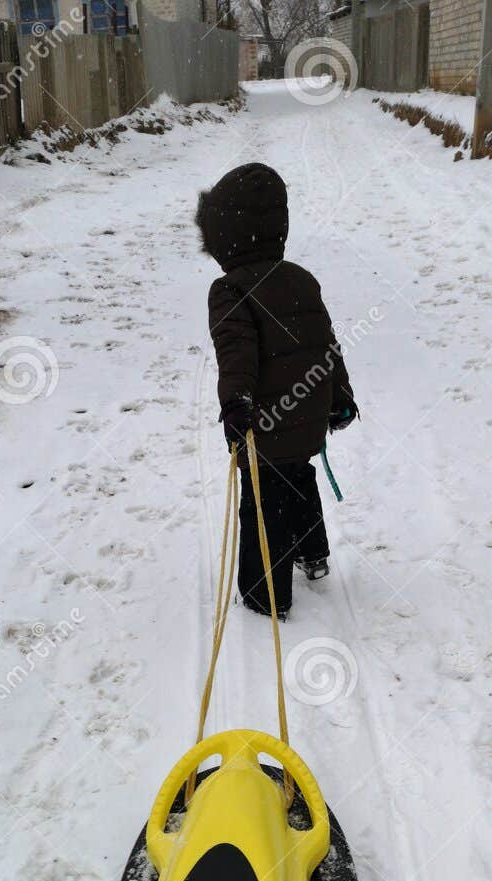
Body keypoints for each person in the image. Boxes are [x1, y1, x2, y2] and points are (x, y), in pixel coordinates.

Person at [197, 162, 357, 619]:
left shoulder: (229, 290)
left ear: (224, 235)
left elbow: (236, 354)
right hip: (309, 419)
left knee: (263, 501)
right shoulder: (301, 279)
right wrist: (341, 397)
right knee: (300, 474)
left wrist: (237, 404)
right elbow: (325, 344)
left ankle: (265, 595)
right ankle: (314, 554)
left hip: (265, 424)